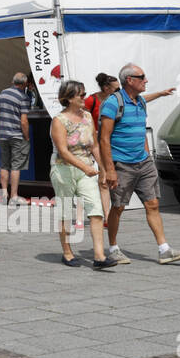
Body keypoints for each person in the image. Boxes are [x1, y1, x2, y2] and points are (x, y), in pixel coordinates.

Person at [99, 63, 180, 265]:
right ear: (129, 80)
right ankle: (113, 248)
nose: (146, 80)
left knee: (153, 204)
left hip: (143, 162)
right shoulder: (112, 104)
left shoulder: (139, 101)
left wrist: (160, 94)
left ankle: (164, 249)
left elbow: (142, 117)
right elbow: (104, 139)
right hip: (121, 164)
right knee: (119, 207)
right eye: (143, 77)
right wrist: (110, 170)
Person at [50, 80, 117, 269]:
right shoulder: (59, 121)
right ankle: (67, 252)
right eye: (81, 95)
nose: (85, 98)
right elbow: (63, 151)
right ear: (69, 98)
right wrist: (84, 167)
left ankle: (99, 255)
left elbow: (94, 145)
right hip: (63, 169)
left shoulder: (87, 116)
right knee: (64, 212)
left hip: (86, 169)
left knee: (95, 210)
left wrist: (103, 168)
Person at [0, 73, 32, 206]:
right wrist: (26, 137)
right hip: (16, 135)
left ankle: (3, 195)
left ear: (12, 81)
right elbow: (24, 121)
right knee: (16, 166)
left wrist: (6, 114)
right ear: (24, 84)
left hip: (3, 134)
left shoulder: (3, 93)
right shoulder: (24, 97)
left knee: (4, 165)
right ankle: (14, 196)